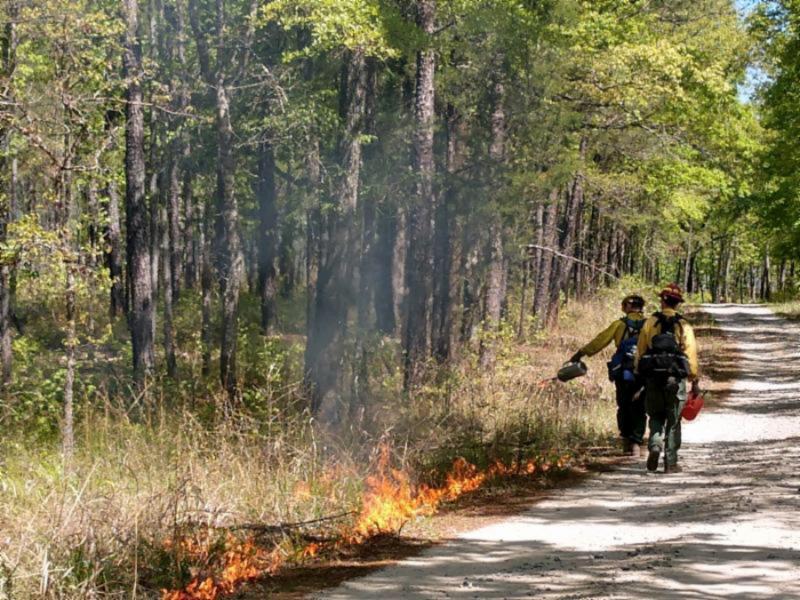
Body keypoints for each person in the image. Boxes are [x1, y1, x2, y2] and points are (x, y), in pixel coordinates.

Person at [568, 294, 648, 457]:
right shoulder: (650, 325)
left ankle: (626, 440)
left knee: (624, 405)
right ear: (641, 307)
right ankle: (636, 443)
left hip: (623, 372)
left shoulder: (619, 324)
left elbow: (600, 340)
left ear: (627, 306)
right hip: (644, 372)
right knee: (639, 407)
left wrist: (581, 353)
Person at [635, 283, 699, 474]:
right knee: (673, 420)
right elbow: (691, 354)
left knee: (655, 415)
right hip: (675, 380)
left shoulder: (650, 322)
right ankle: (670, 463)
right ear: (678, 303)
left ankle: (655, 445)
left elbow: (640, 350)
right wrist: (694, 379)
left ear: (663, 301)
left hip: (653, 378)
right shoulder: (684, 325)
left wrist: (639, 373)